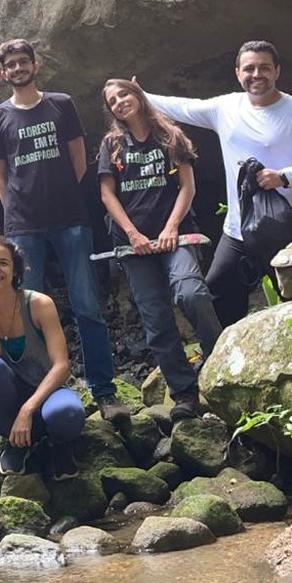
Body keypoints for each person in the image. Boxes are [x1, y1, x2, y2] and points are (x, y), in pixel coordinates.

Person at [142, 41, 292, 327]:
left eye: (264, 67)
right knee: (217, 296)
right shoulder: (227, 108)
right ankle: (223, 353)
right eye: (249, 68)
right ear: (238, 73)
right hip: (239, 229)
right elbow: (184, 107)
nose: (256, 74)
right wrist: (139, 95)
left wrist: (285, 176)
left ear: (277, 71)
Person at [0, 38, 128, 421]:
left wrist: (63, 191)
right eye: (11, 64)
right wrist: (14, 207)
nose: (18, 68)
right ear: (3, 73)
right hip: (23, 226)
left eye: (23, 61)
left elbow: (78, 156)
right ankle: (42, 392)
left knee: (87, 305)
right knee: (28, 310)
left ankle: (104, 391)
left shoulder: (61, 104)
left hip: (70, 219)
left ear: (35, 65)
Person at [98, 79, 222, 420]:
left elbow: (187, 186)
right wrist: (132, 234)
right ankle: (184, 393)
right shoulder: (112, 144)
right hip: (133, 245)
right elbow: (107, 194)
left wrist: (171, 227)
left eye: (124, 94)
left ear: (137, 95)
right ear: (110, 110)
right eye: (113, 100)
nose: (120, 102)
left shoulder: (170, 135)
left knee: (191, 292)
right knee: (155, 317)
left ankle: (219, 359)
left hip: (176, 236)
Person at [0, 237, 85, 478]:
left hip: (48, 392)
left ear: (15, 270)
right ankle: (16, 442)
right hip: (9, 400)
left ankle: (57, 443)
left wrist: (27, 410)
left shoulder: (40, 304)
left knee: (68, 414)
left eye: (3, 263)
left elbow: (61, 366)